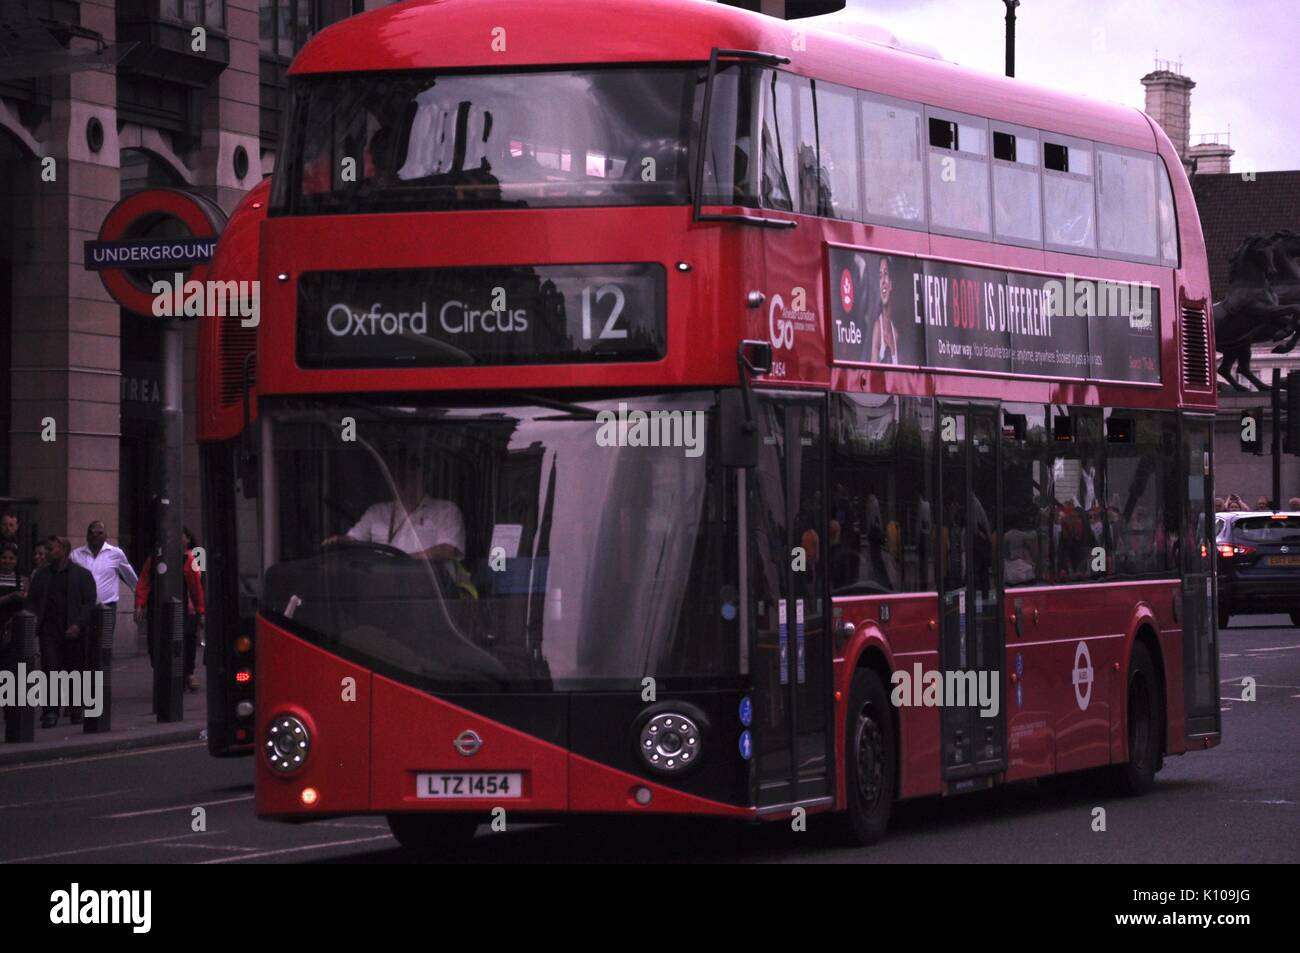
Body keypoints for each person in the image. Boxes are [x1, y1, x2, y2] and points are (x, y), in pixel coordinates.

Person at [325, 445, 465, 563]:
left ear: (425, 477)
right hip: (384, 589)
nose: (404, 483)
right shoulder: (377, 512)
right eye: (400, 477)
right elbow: (353, 540)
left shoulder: (446, 511)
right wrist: (339, 542)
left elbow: (447, 550)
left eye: (411, 476)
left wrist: (402, 563)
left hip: (429, 592)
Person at [27, 537, 96, 727]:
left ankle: (75, 708)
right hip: (49, 630)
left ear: (63, 550)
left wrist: (79, 625)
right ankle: (50, 711)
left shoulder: (82, 575)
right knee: (50, 669)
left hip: (74, 630)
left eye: (51, 549)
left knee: (74, 670)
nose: (46, 552)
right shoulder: (41, 575)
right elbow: (32, 601)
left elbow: (89, 602)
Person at [71, 522, 139, 703]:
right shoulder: (76, 555)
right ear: (86, 535)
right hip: (83, 608)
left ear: (105, 535)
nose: (95, 536)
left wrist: (140, 603)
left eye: (99, 533)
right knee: (82, 649)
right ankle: (80, 692)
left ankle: (101, 690)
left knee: (103, 648)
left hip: (107, 608)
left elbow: (132, 579)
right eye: (92, 533)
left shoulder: (115, 554)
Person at [134, 528, 206, 691]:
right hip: (157, 609)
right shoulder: (154, 558)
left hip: (183, 609)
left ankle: (187, 673)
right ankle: (163, 672)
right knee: (155, 643)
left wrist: (200, 611)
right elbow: (144, 582)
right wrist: (140, 604)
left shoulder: (188, 560)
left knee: (184, 641)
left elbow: (196, 588)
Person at [0, 543, 27, 740]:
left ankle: (10, 711)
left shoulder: (22, 579)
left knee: (10, 672)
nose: (8, 561)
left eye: (11, 558)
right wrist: (10, 596)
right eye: (4, 558)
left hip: (12, 630)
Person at [869, 256, 900, 365]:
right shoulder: (878, 328)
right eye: (880, 276)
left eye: (885, 274)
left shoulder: (895, 335)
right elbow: (872, 375)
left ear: (891, 284)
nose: (882, 281)